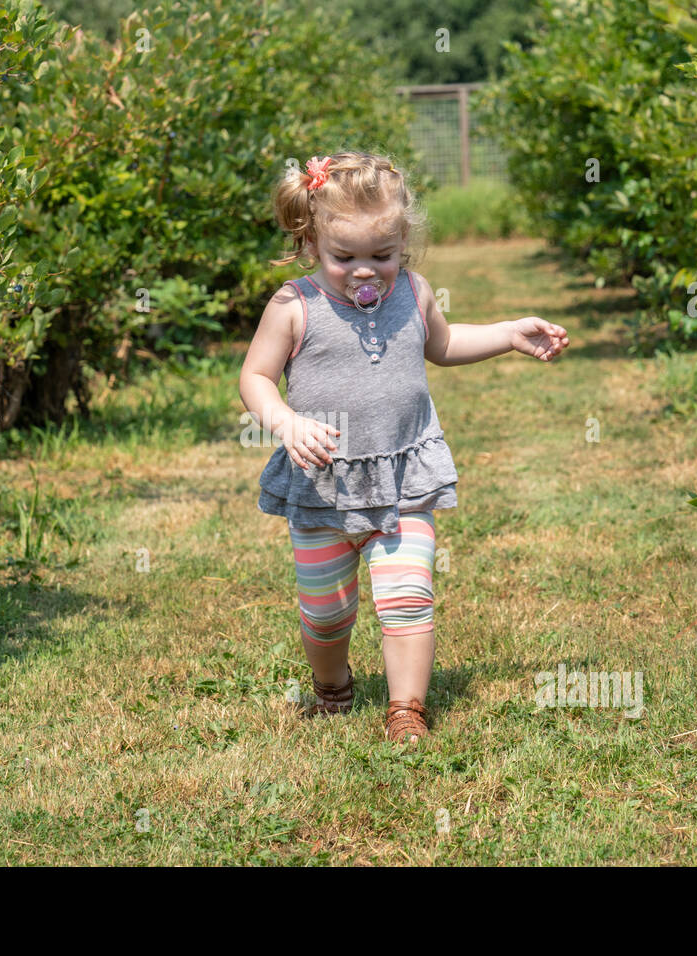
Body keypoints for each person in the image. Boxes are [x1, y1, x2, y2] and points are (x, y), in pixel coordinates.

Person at [238, 151, 569, 744]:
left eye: (382, 255)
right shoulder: (294, 305)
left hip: (402, 479)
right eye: (345, 257)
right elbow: (255, 377)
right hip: (323, 487)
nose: (365, 271)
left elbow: (442, 344)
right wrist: (285, 422)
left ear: (403, 243)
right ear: (311, 243)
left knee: (409, 597)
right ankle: (332, 687)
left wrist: (507, 334)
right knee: (326, 613)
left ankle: (406, 710)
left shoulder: (414, 292)